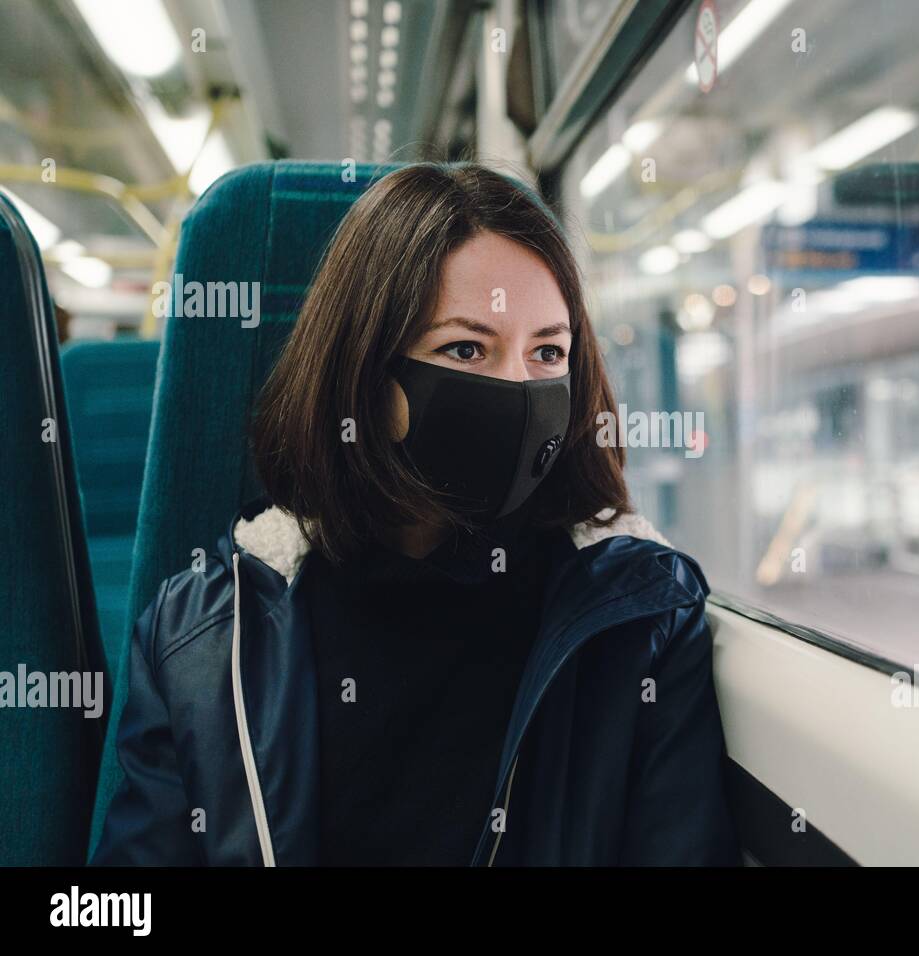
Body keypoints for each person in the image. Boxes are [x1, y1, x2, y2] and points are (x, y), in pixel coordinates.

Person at [91, 162, 740, 866]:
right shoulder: (204, 637)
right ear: (367, 379)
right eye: (466, 349)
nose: (521, 392)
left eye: (548, 352)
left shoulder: (638, 620)